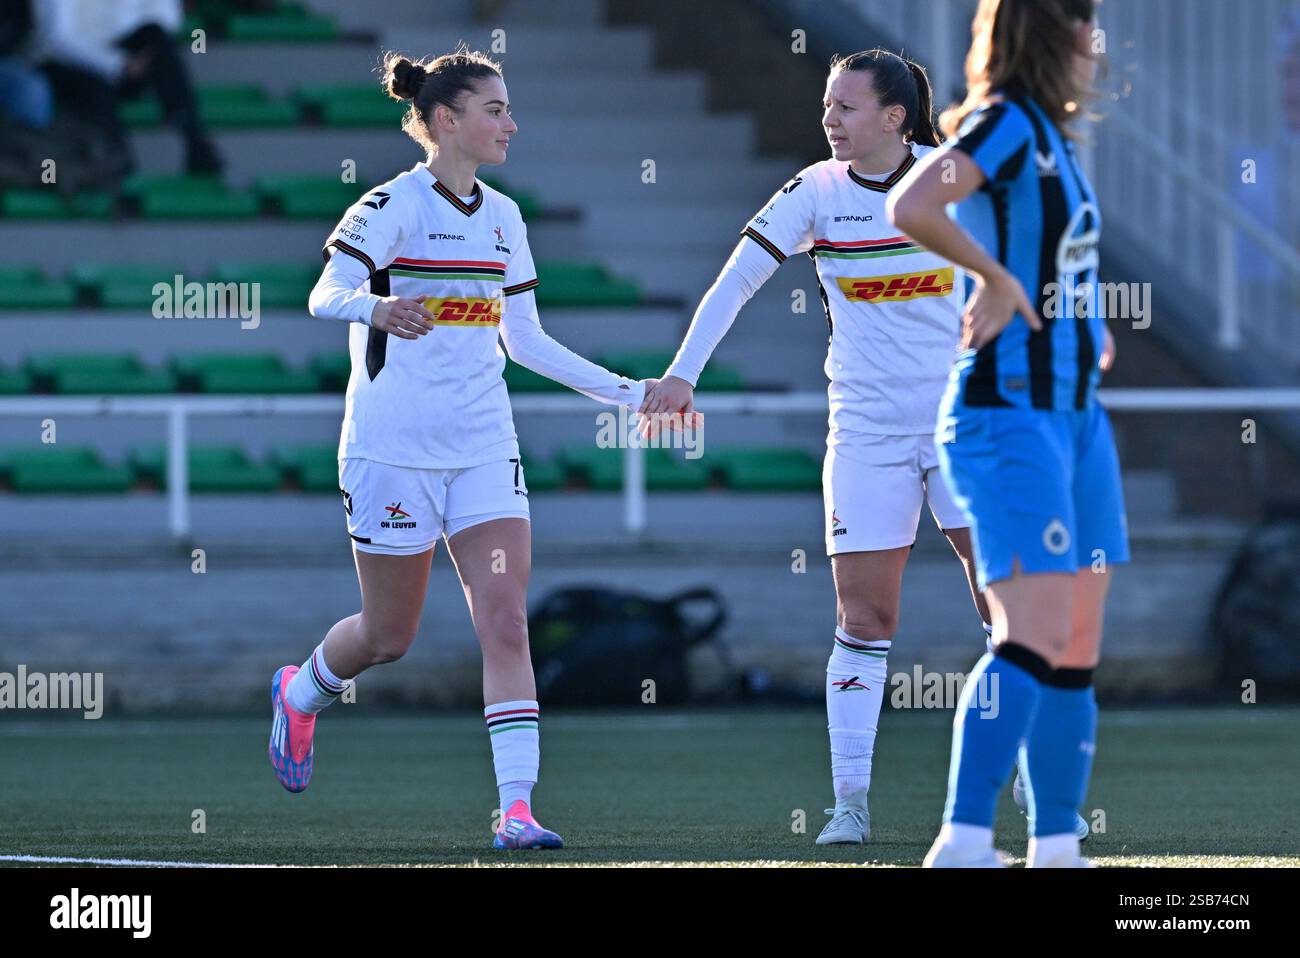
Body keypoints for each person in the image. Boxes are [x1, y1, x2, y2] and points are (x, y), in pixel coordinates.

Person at [272, 47, 652, 851]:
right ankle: (301, 693)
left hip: (483, 445)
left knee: (507, 621)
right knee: (388, 636)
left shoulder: (507, 218)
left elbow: (529, 343)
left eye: (510, 109)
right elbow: (322, 293)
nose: (511, 122)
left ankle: (516, 810)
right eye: (495, 109)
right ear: (447, 120)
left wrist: (629, 391)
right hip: (391, 450)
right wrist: (375, 310)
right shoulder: (392, 203)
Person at [642, 49, 993, 846]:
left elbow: (1017, 271)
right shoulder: (815, 191)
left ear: (896, 119)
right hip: (866, 432)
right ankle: (850, 805)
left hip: (963, 426)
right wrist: (682, 375)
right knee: (864, 618)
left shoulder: (953, 179)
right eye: (826, 105)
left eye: (845, 107)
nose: (828, 119)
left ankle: (1035, 800)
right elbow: (734, 281)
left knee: (1005, 608)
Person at [888, 0, 1127, 868]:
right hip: (1006, 413)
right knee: (1030, 630)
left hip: (1075, 419)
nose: (1094, 42)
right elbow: (914, 204)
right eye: (1083, 23)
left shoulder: (1059, 140)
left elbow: (1058, 259)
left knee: (1077, 641)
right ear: (1051, 32)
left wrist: (1088, 321)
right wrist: (987, 277)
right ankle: (963, 842)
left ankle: (1058, 844)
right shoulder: (1006, 121)